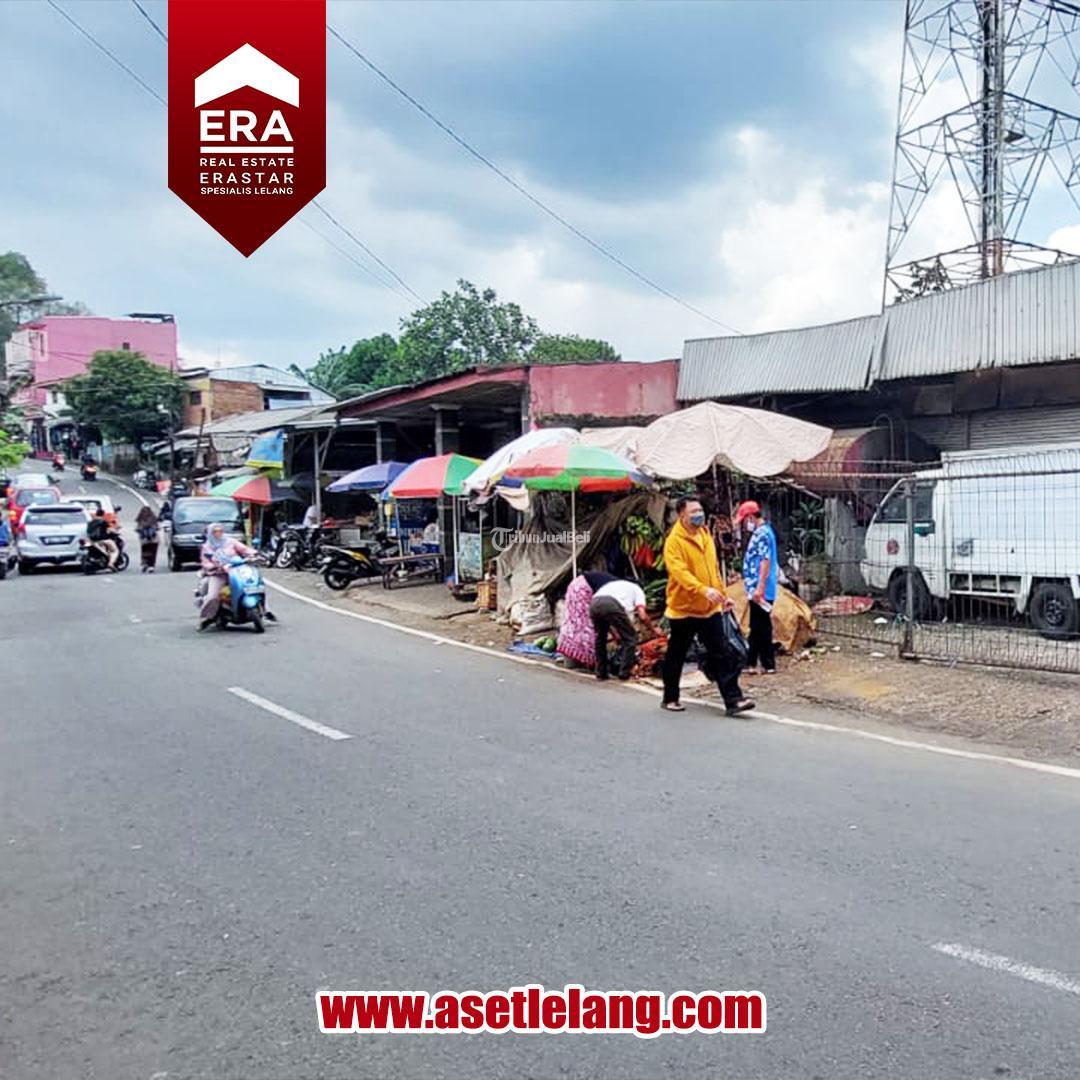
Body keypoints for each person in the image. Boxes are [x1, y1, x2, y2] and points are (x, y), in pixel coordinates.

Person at [661, 495, 754, 716]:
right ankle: (670, 697)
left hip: (709, 608)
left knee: (722, 652)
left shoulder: (704, 535)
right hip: (683, 609)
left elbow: (712, 570)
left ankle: (733, 701)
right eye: (693, 512)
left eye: (699, 510)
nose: (698, 515)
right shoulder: (674, 542)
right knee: (677, 654)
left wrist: (723, 595)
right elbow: (680, 573)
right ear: (681, 514)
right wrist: (703, 590)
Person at [735, 500, 778, 674]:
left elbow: (764, 561)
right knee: (758, 626)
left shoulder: (762, 534)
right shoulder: (765, 532)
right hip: (758, 588)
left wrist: (760, 587)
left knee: (761, 627)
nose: (744, 525)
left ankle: (764, 663)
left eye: (744, 521)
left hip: (761, 589)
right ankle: (753, 662)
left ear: (751, 517)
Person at [589, 576, 657, 681]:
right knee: (631, 638)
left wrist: (616, 635)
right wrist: (654, 630)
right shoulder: (637, 590)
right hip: (611, 604)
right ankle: (624, 673)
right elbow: (642, 615)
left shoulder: (615, 586)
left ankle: (601, 673)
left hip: (594, 604)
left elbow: (610, 620)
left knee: (601, 639)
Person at [197, 522, 256, 629]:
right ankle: (207, 617)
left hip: (236, 572)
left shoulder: (230, 542)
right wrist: (214, 566)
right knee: (213, 597)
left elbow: (244, 549)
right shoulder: (207, 547)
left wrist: (253, 554)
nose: (218, 533)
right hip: (218, 574)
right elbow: (205, 562)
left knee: (253, 586)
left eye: (220, 531)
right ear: (210, 533)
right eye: (215, 531)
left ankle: (265, 610)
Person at [557, 571, 614, 669]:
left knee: (574, 623)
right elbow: (605, 614)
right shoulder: (616, 590)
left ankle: (573, 659)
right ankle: (584, 660)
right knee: (586, 627)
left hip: (576, 587)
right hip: (583, 590)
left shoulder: (616, 586)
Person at [135, 505, 160, 573]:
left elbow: (138, 529)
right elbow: (157, 528)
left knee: (144, 552)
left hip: (144, 540)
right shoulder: (153, 518)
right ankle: (151, 566)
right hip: (154, 539)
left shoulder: (140, 519)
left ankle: (145, 563)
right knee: (153, 553)